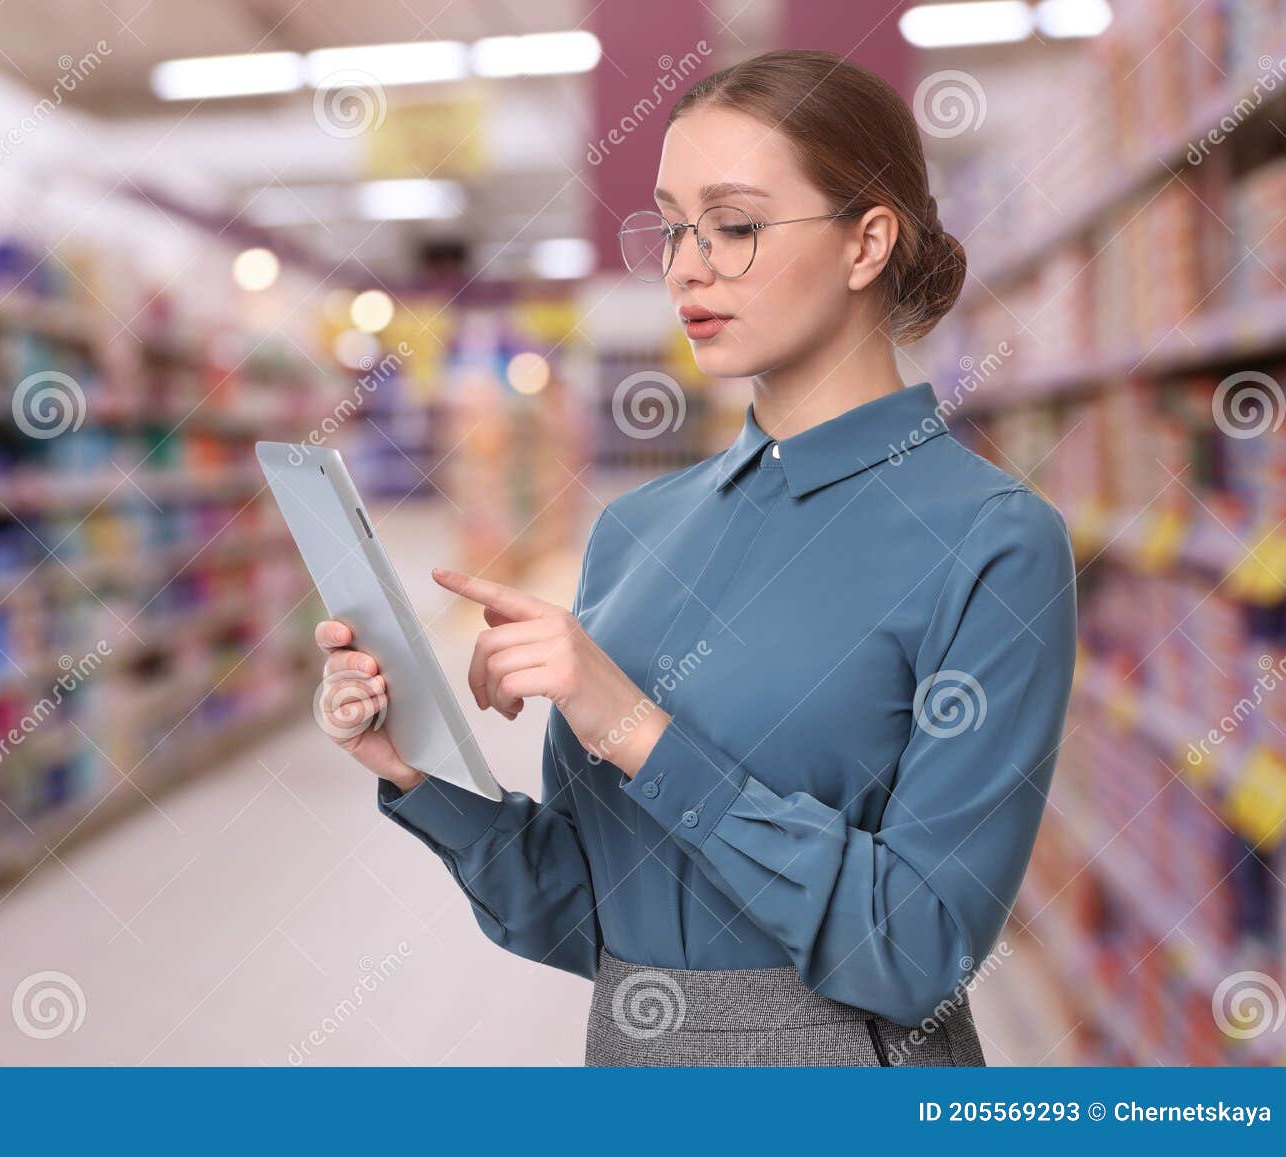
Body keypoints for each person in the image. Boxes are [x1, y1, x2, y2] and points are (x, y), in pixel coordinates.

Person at [314, 49, 1077, 1067]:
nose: (684, 266)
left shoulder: (993, 538)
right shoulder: (635, 529)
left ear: (867, 242)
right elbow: (586, 917)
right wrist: (419, 768)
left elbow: (917, 949)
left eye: (735, 225)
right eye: (674, 226)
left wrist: (633, 726)